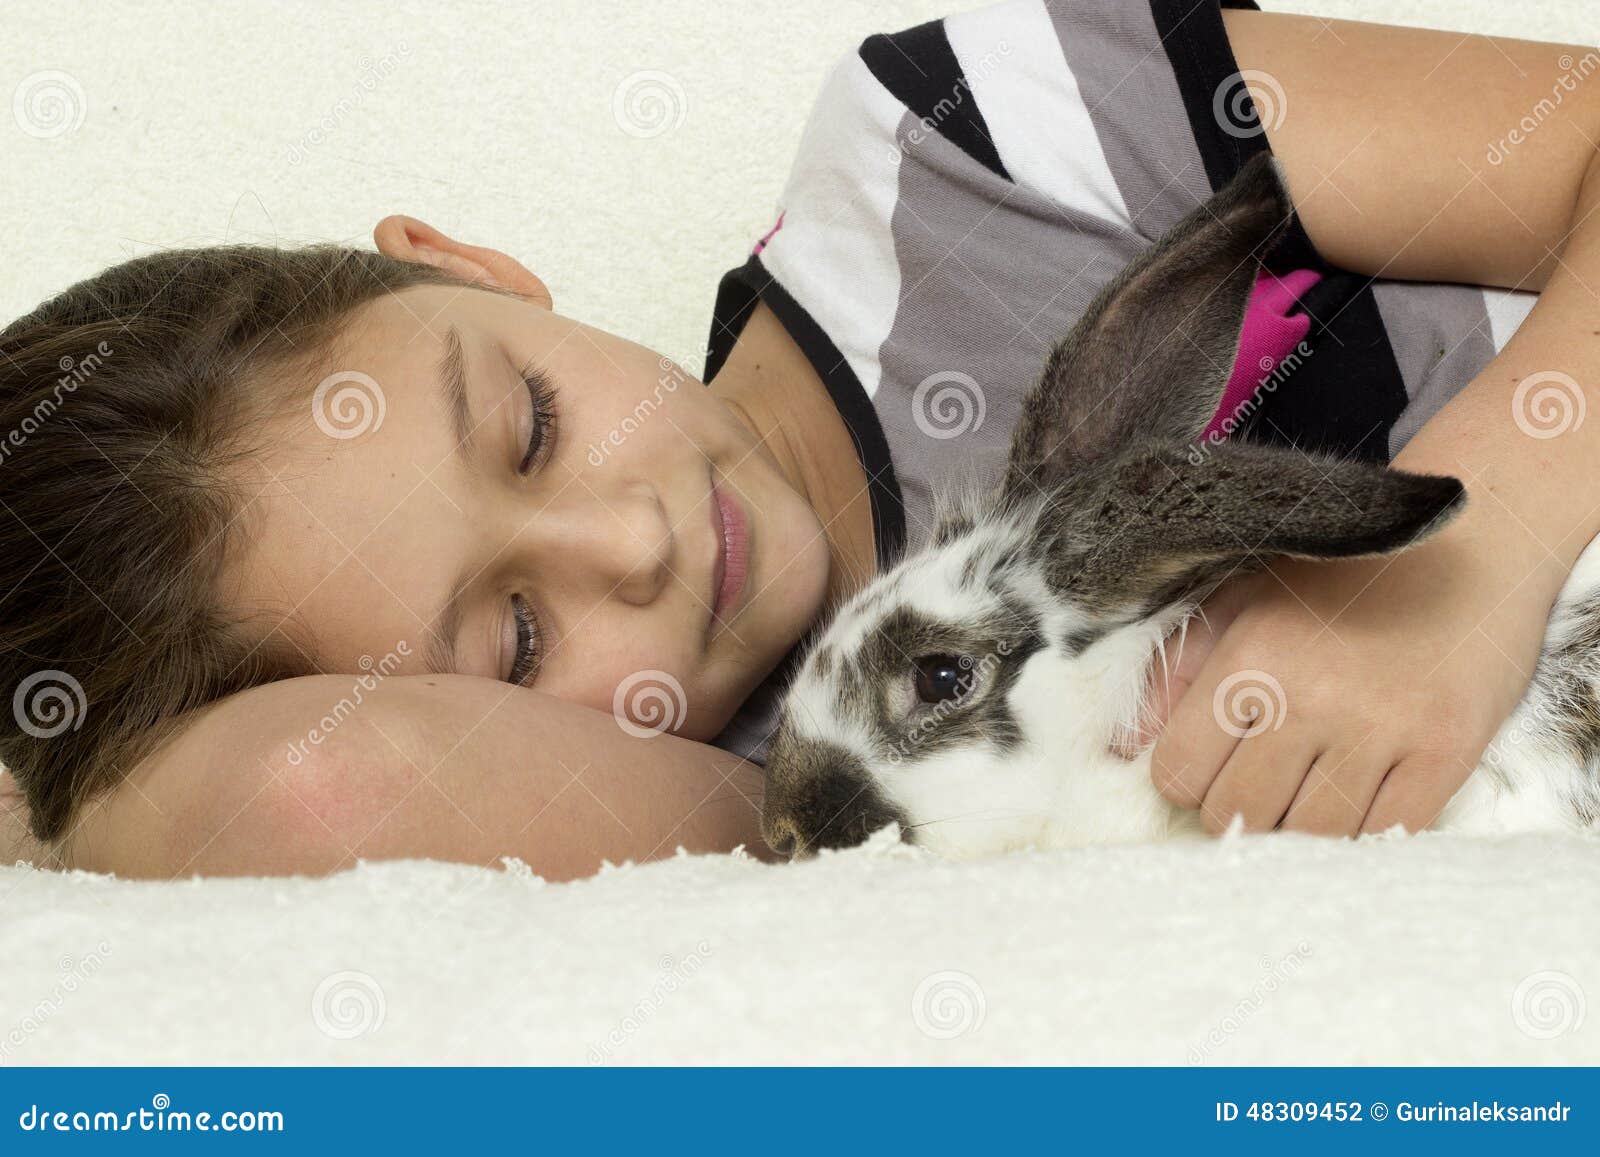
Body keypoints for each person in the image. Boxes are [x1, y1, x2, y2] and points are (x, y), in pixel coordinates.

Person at [3, 0, 1597, 878]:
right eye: (513, 636)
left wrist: (1490, 552)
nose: (633, 545)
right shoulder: (753, 810)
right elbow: (309, 792)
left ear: (464, 266)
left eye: (531, 423)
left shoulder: (967, 141)